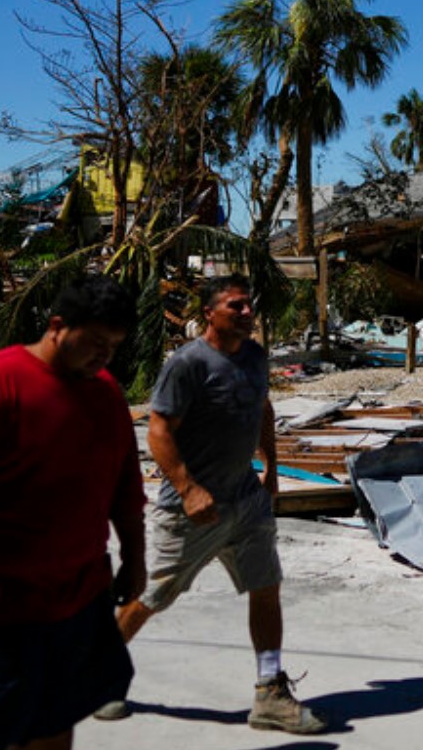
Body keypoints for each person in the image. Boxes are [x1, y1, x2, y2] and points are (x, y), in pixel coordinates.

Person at [0, 272, 146, 750]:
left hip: (73, 597)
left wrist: (135, 557)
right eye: (95, 341)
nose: (104, 354)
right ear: (57, 325)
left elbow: (125, 485)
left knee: (55, 723)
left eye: (114, 345)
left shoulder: (104, 394)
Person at [100, 274, 324, 735]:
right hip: (190, 509)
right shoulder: (188, 364)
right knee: (153, 595)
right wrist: (187, 489)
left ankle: (269, 691)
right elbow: (158, 429)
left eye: (249, 306)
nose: (247, 313)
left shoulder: (257, 357)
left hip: (245, 498)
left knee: (266, 586)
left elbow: (263, 409)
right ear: (209, 313)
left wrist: (272, 467)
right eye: (236, 307)